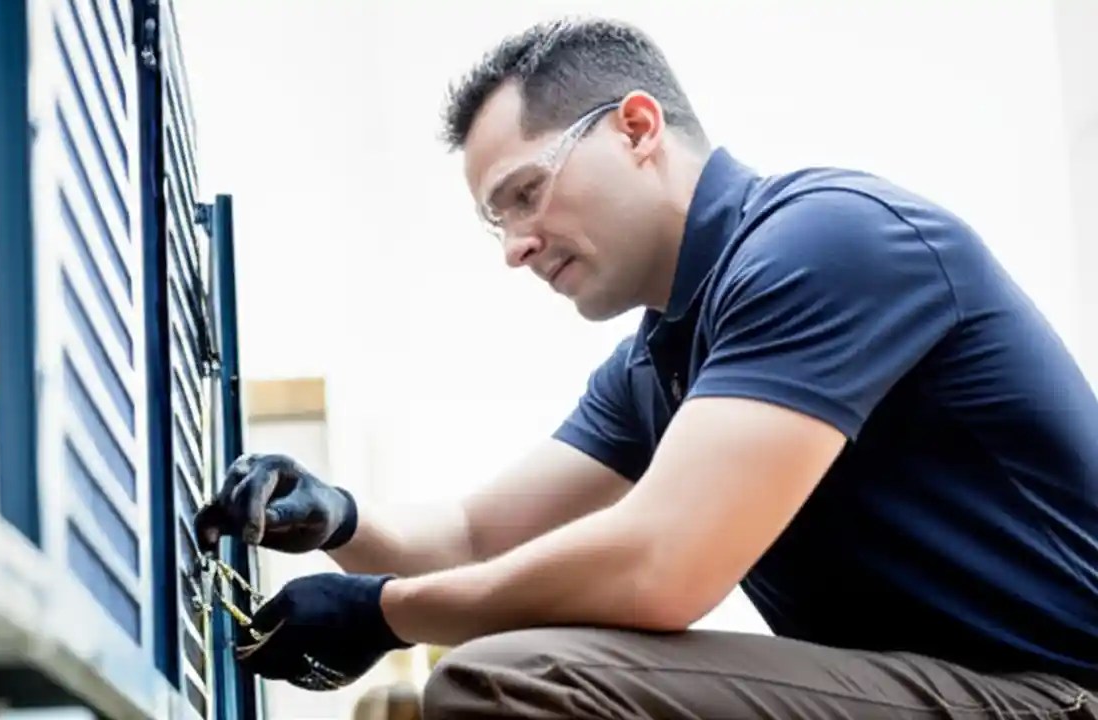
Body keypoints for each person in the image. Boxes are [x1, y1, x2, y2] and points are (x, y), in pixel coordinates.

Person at [193, 16, 1098, 719]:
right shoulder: (660, 359)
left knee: (509, 682)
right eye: (493, 220)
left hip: (1056, 690)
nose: (514, 246)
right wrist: (336, 518)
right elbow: (476, 532)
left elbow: (663, 566)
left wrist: (380, 613)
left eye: (525, 193)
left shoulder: (827, 242)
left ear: (635, 127)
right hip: (944, 684)